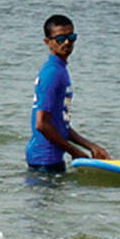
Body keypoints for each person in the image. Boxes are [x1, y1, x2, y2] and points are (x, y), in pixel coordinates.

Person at [25, 14, 110, 173]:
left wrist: (91, 147)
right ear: (47, 42)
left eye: (71, 37)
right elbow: (41, 124)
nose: (67, 42)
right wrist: (76, 153)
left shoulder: (60, 70)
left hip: (51, 159)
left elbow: (60, 125)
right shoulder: (52, 73)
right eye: (60, 38)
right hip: (44, 161)